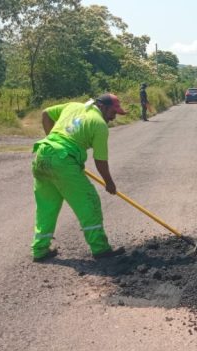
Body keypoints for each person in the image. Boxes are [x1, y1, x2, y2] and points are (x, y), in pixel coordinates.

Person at [31, 93, 127, 262]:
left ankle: (40, 249)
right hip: (63, 161)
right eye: (113, 112)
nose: (113, 117)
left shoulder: (74, 106)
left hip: (42, 155)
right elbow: (100, 161)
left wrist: (52, 142)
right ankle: (100, 249)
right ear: (102, 107)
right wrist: (109, 183)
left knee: (47, 207)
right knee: (89, 202)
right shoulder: (99, 125)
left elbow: (46, 113)